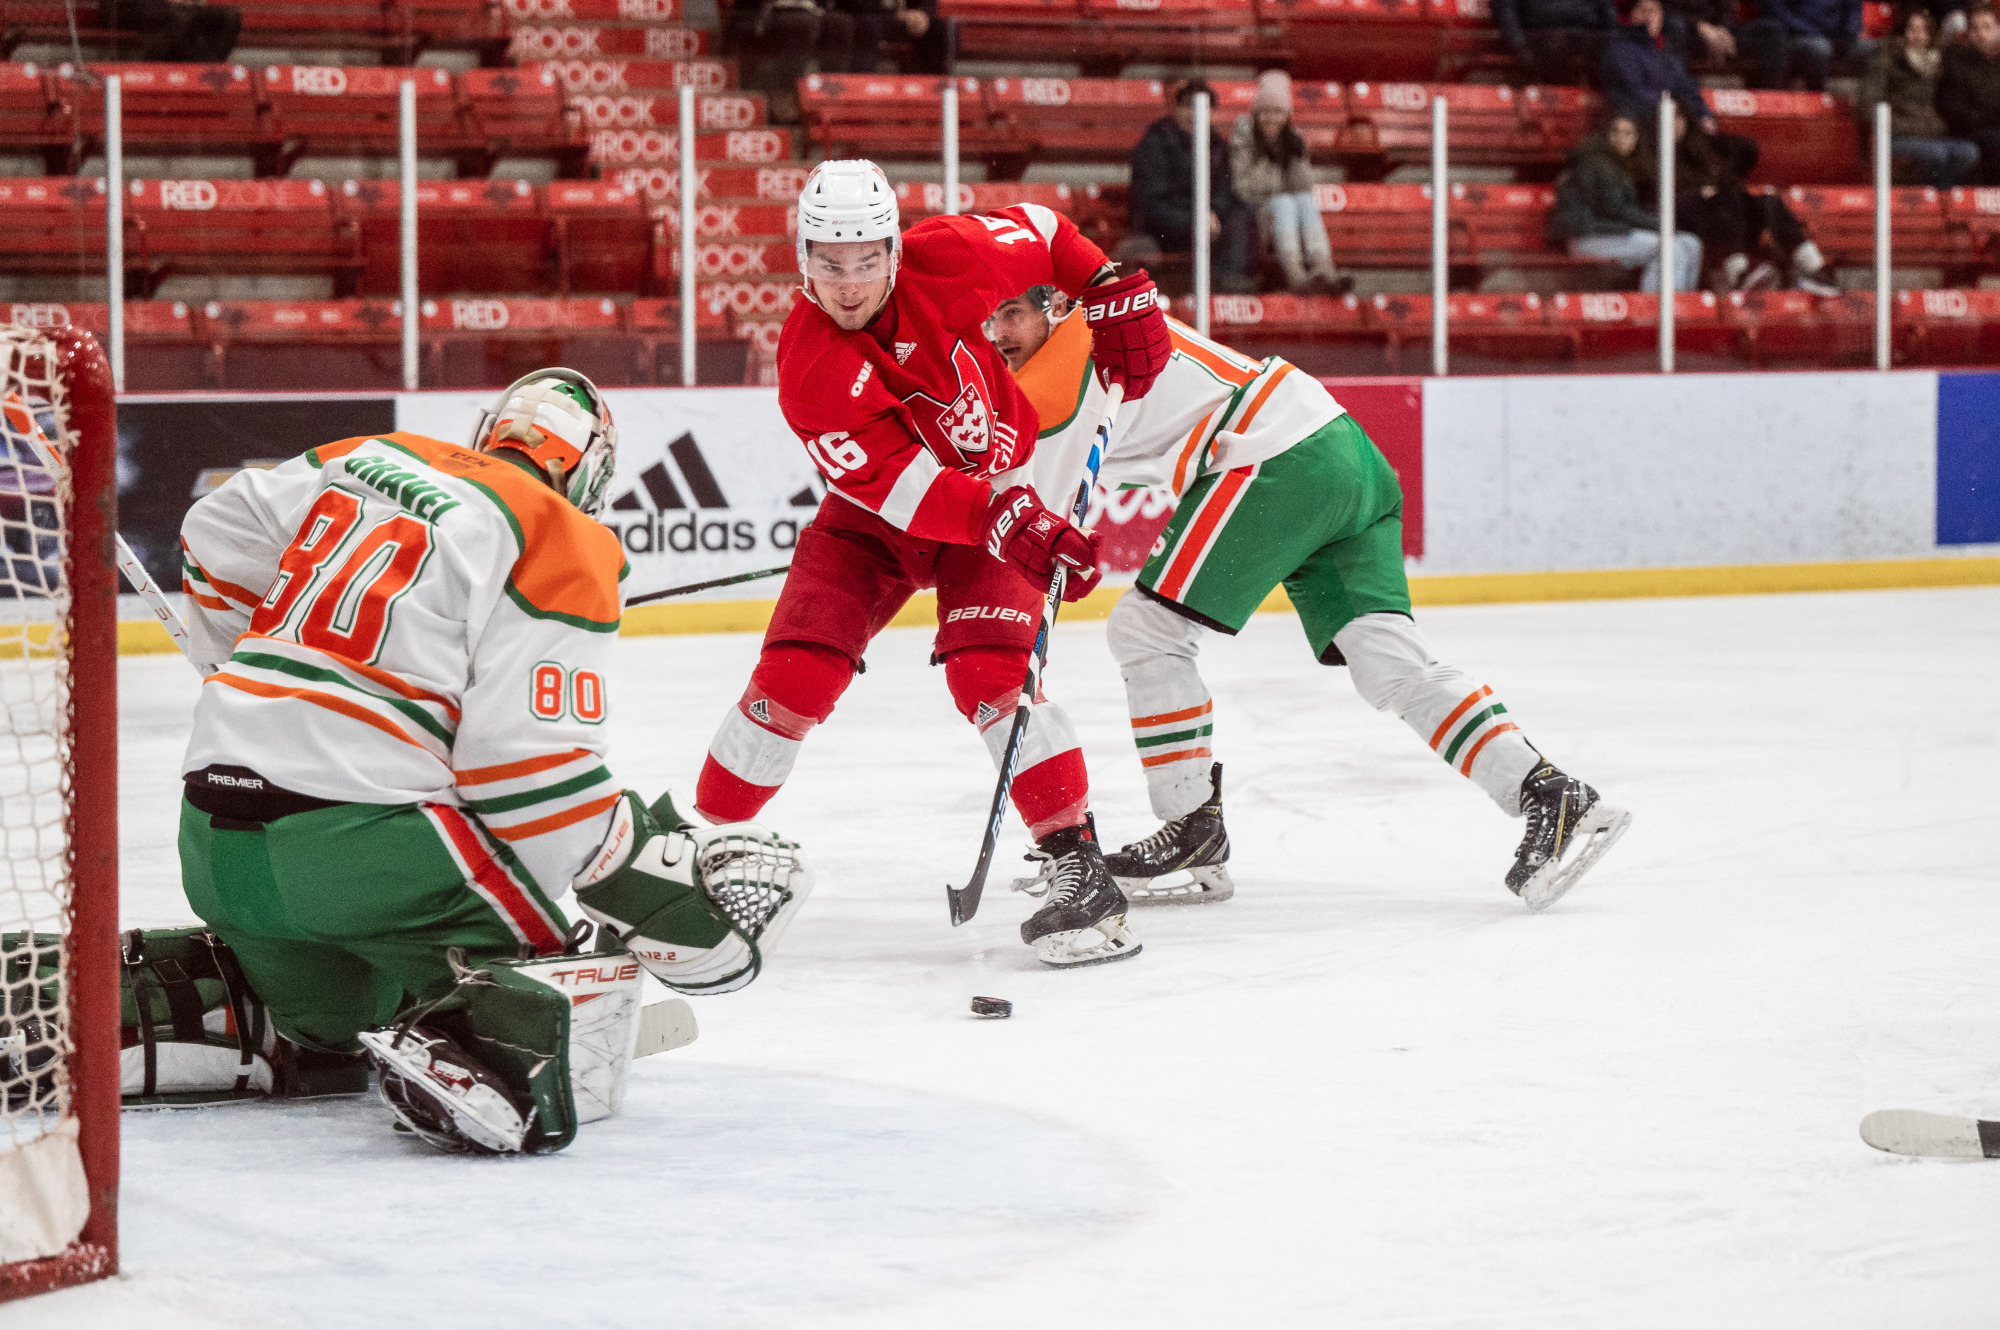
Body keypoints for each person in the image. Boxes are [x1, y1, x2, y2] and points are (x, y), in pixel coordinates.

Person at [170, 370, 814, 1153]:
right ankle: (475, 1041)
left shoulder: (371, 452)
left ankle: (229, 1003)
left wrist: (238, 656)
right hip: (356, 854)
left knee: (338, 1019)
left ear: (490, 432)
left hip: (210, 843)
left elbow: (212, 530)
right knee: (549, 971)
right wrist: (652, 878)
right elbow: (529, 781)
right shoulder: (560, 535)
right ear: (589, 470)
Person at [983, 289, 1632, 909]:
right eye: (990, 319)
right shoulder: (1090, 331)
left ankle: (1190, 828)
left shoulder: (1058, 368)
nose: (999, 334)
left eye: (1012, 314)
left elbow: (1018, 504)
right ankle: (1549, 793)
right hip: (1339, 445)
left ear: (1055, 306)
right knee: (1392, 667)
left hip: (1275, 453)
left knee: (1145, 631)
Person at [691, 160, 1173, 968]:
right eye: (829, 263)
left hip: (995, 485)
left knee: (992, 677)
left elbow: (1050, 234)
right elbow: (911, 494)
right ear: (801, 256)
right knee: (793, 681)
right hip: (883, 517)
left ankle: (1078, 865)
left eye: (867, 260)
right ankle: (696, 849)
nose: (849, 285)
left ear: (892, 249)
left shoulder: (950, 252)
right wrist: (1010, 522)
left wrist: (1108, 283)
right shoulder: (810, 364)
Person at [1650, 105, 1840, 294]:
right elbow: (1661, 200)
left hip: (1734, 217)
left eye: (1679, 117)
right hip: (1698, 221)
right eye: (1670, 118)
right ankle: (1739, 274)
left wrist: (1711, 136)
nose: (1674, 123)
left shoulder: (1704, 145)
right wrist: (1699, 193)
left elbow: (1750, 148)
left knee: (1769, 201)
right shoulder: (1656, 156)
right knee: (1729, 195)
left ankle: (1817, 269)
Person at [1603, 0, 1762, 179]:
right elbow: (1637, 95)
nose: (1649, 16)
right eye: (1643, 10)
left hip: (1680, 126)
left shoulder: (1665, 52)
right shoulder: (1619, 50)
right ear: (1631, 15)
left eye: (1654, 11)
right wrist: (1676, 114)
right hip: (1646, 131)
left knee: (1744, 149)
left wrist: (1703, 115)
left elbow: (1688, 87)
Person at [1548, 114, 1703, 293]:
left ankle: (1683, 308)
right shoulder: (1597, 163)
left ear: (1636, 138)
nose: (1621, 138)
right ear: (1608, 136)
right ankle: (1654, 311)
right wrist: (1661, 226)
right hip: (1586, 235)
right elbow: (1616, 210)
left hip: (1610, 232)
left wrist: (1662, 224)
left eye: (1628, 133)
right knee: (1669, 248)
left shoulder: (1622, 164)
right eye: (1616, 132)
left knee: (1691, 243)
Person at [1128, 80, 1256, 295]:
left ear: (1213, 114)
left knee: (1243, 213)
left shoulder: (1218, 147)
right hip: (1166, 231)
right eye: (1188, 106)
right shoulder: (1155, 144)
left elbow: (1225, 194)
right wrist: (1194, 218)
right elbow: (1151, 204)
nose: (1194, 114)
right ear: (1176, 109)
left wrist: (1211, 215)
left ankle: (1233, 285)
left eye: (1204, 108)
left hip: (1209, 228)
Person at [1229, 71, 1349, 295]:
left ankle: (1324, 270)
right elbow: (1242, 187)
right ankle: (1295, 275)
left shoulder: (1290, 139)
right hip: (1253, 216)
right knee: (1284, 202)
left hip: (1287, 215)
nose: (1271, 118)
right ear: (1256, 113)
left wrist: (1297, 157)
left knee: (1305, 200)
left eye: (1278, 112)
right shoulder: (1244, 139)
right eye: (1265, 112)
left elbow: (1303, 187)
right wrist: (1270, 165)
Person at [1866, 5, 1982, 187]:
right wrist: (1897, 124)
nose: (1918, 36)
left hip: (1931, 135)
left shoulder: (1939, 63)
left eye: (1924, 30)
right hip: (1896, 135)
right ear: (1902, 31)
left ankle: (1936, 196)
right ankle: (1916, 195)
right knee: (1936, 154)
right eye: (1912, 29)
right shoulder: (1885, 58)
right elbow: (1867, 103)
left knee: (1968, 152)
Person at [721, 0, 852, 124]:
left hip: (809, 10)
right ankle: (784, 102)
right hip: (766, 11)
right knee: (798, 22)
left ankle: (831, 97)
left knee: (841, 23)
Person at [1738, 0, 1868, 90]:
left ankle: (1871, 114)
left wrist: (1847, 34)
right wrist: (1815, 32)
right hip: (1795, 36)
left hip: (1838, 37)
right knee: (1819, 49)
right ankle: (1818, 105)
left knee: (1873, 50)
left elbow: (1853, 12)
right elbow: (1774, 12)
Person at [1939, 2, 2000, 183]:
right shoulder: (1955, 62)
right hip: (1970, 131)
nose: (1981, 34)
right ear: (1967, 32)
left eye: (1987, 27)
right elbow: (1954, 107)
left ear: (1997, 29)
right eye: (1975, 28)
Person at [1495, 0, 1618, 84]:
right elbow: (1506, 9)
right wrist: (1518, 43)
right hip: (1542, 35)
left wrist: (1614, 37)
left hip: (1589, 34)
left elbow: (1607, 9)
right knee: (1555, 43)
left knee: (1618, 55)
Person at [125, 0, 241, 62]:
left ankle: (206, 68)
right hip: (158, 16)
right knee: (178, 16)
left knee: (231, 16)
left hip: (189, 18)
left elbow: (200, 9)